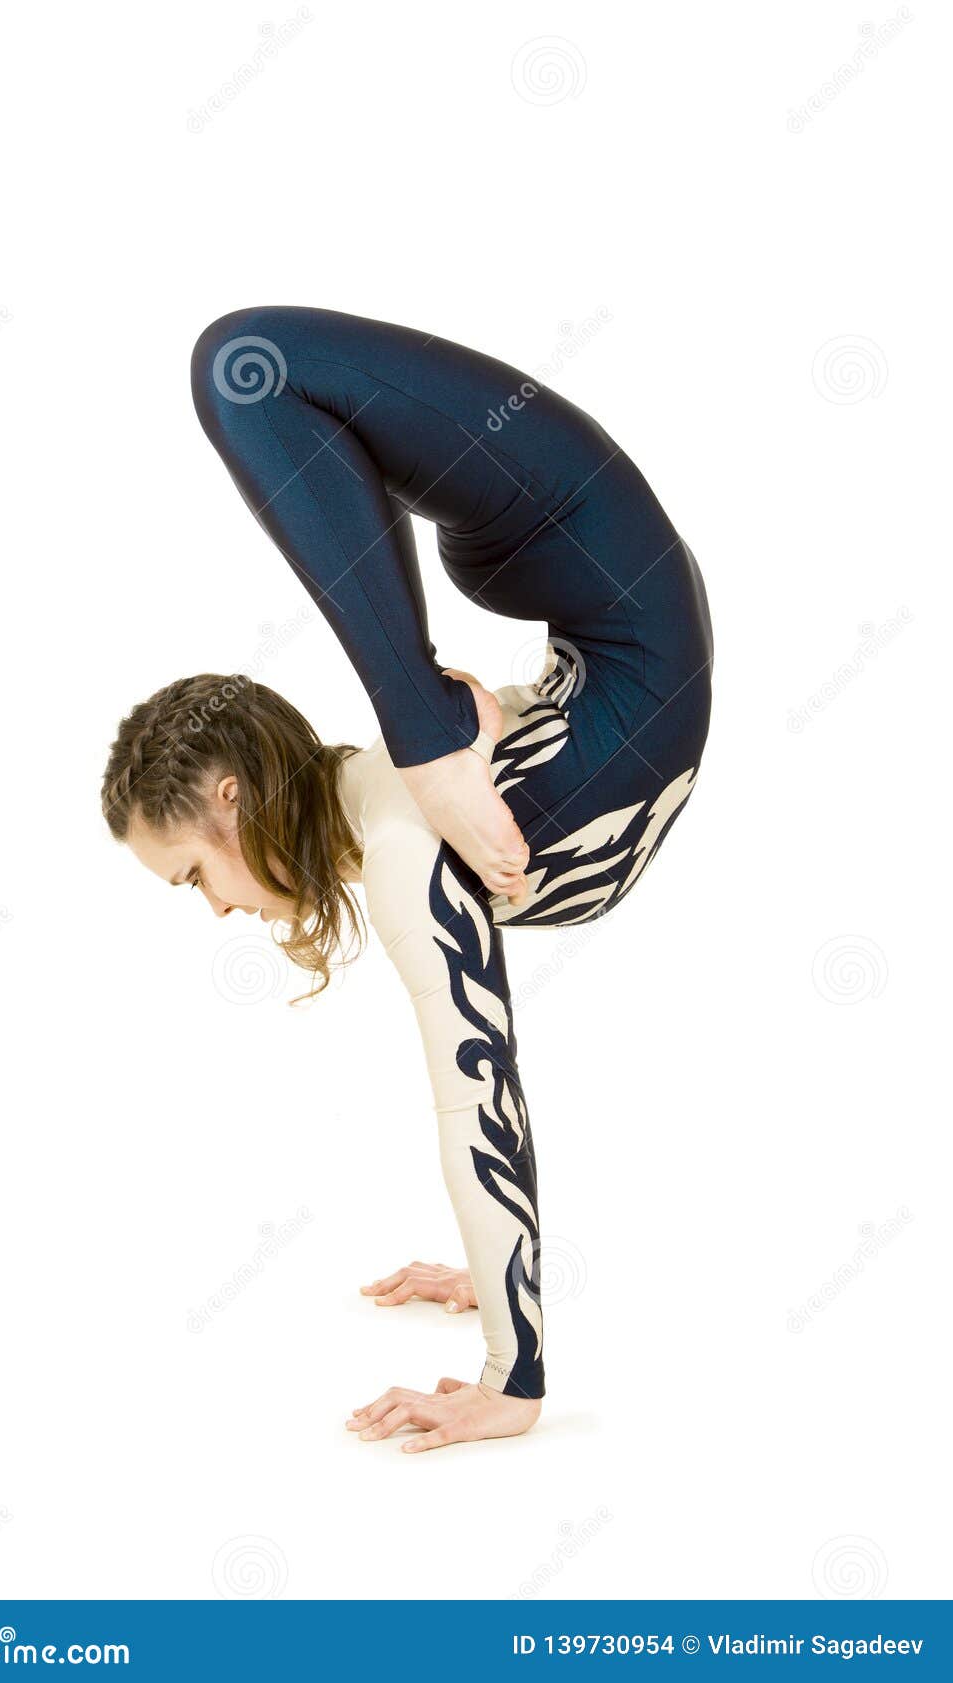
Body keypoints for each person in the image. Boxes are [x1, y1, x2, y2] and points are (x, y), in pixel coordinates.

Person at [101, 306, 713, 1453]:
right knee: (252, 375)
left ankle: (419, 704)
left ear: (229, 794)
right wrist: (493, 1272)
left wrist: (508, 1377)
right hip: (574, 570)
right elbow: (481, 1100)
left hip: (581, 531)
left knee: (242, 365)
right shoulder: (386, 811)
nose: (221, 908)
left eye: (193, 877)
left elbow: (476, 1095)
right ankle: (425, 705)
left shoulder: (405, 837)